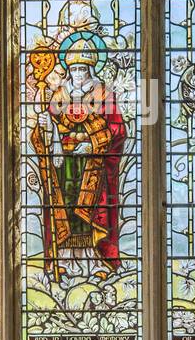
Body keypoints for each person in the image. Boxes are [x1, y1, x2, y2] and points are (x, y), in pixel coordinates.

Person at [31, 37, 126, 280]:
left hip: (92, 165)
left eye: (83, 69)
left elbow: (117, 129)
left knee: (90, 213)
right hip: (64, 164)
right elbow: (50, 128)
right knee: (65, 212)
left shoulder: (103, 94)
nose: (78, 74)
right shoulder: (58, 94)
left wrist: (91, 144)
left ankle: (93, 262)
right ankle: (63, 261)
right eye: (74, 69)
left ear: (91, 69)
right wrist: (45, 127)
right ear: (68, 71)